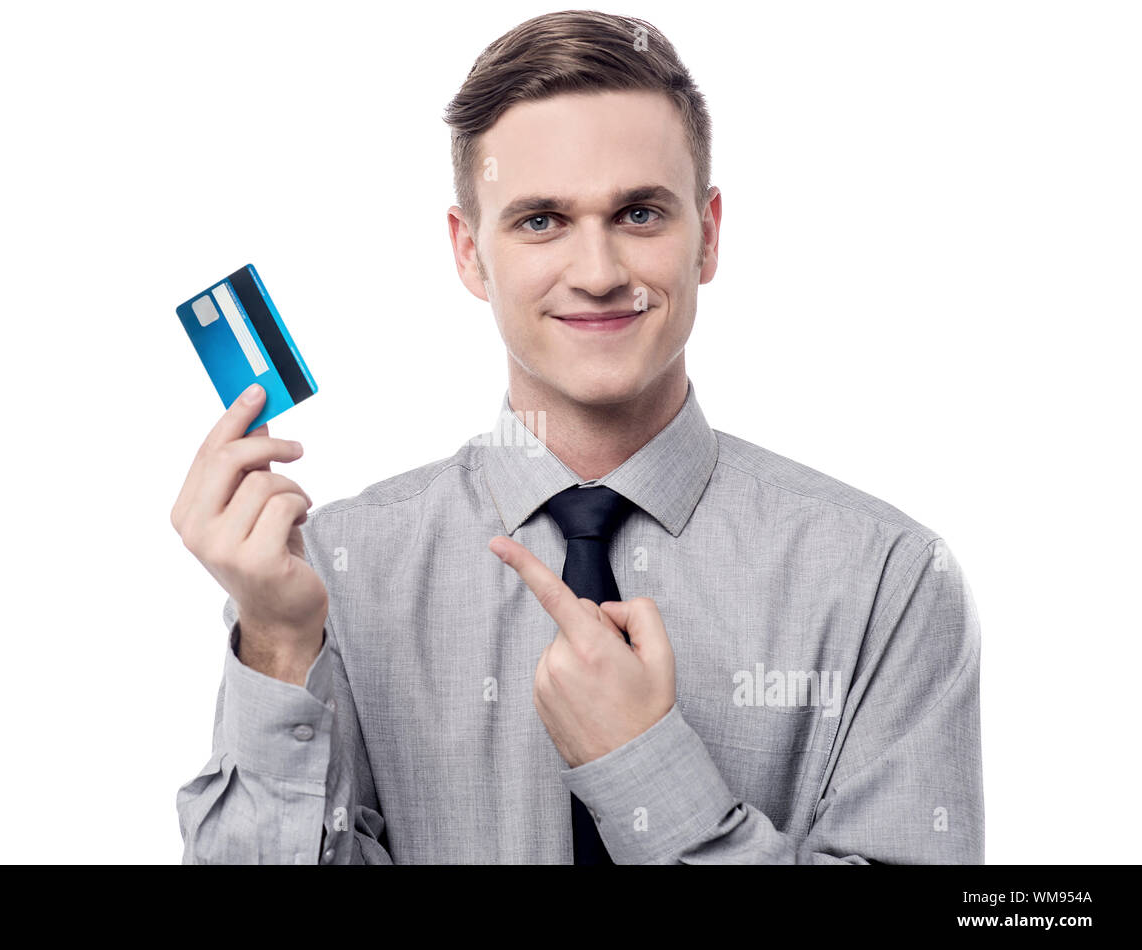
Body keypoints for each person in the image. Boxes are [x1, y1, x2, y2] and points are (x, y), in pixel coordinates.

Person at [172, 10, 983, 864]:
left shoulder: (890, 583)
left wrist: (644, 770)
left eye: (638, 214)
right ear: (469, 253)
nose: (597, 274)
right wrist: (276, 642)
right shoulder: (330, 575)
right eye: (540, 221)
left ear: (708, 234)